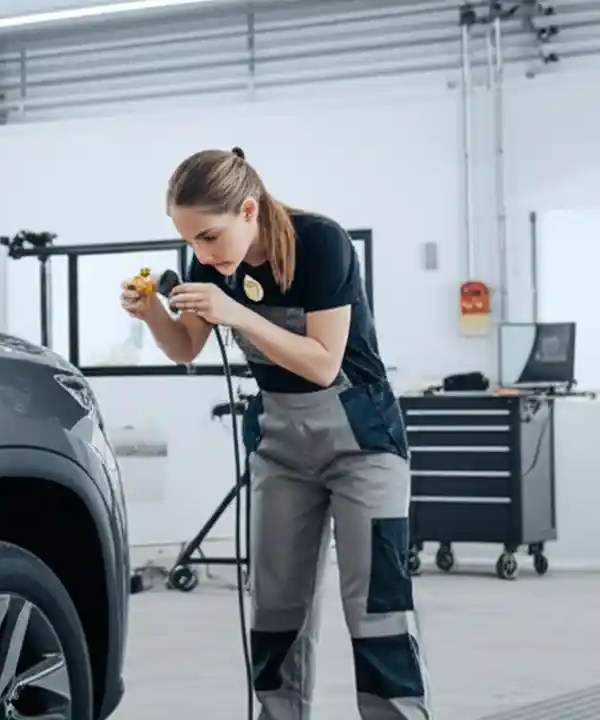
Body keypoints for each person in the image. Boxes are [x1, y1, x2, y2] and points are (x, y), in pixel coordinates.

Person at [120, 147, 432, 720]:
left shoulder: (321, 244)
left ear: (247, 209)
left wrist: (235, 312)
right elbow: (186, 348)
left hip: (362, 441)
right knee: (275, 608)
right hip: (280, 445)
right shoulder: (210, 265)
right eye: (189, 242)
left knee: (377, 606)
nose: (201, 254)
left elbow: (321, 362)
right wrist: (154, 317)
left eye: (209, 237)